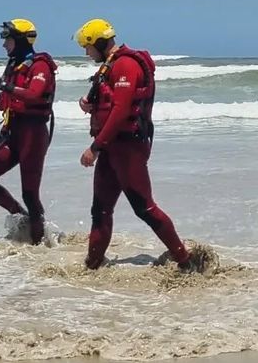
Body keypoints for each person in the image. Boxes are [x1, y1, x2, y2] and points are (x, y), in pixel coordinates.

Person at [74, 18, 193, 271]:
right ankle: (92, 266)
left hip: (127, 148)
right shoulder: (110, 65)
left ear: (99, 42)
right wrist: (89, 105)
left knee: (144, 208)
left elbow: (121, 110)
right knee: (100, 210)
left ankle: (186, 261)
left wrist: (94, 148)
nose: (86, 52)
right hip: (111, 147)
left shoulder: (126, 64)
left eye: (87, 46)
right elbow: (110, 104)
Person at [0, 19, 56, 244]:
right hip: (13, 132)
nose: (4, 45)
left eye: (7, 40)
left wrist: (2, 85)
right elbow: (9, 101)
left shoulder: (40, 65)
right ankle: (23, 218)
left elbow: (34, 94)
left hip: (33, 134)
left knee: (30, 194)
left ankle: (38, 244)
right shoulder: (14, 64)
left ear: (19, 40)